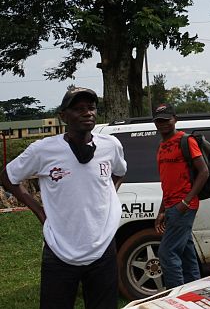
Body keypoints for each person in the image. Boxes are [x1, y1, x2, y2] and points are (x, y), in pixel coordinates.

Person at [1, 88, 126, 309]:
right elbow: (8, 176)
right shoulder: (43, 150)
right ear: (63, 115)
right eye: (78, 109)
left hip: (103, 247)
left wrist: (109, 195)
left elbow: (119, 172)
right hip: (60, 248)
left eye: (91, 108)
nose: (87, 113)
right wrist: (40, 212)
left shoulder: (110, 145)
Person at [153, 103, 209, 288]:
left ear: (175, 119)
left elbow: (204, 172)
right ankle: (194, 290)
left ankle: (175, 294)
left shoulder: (186, 141)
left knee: (167, 252)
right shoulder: (162, 146)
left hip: (184, 205)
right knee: (186, 252)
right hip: (172, 205)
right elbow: (167, 182)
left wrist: (186, 201)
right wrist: (162, 210)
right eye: (159, 121)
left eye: (166, 120)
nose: (163, 124)